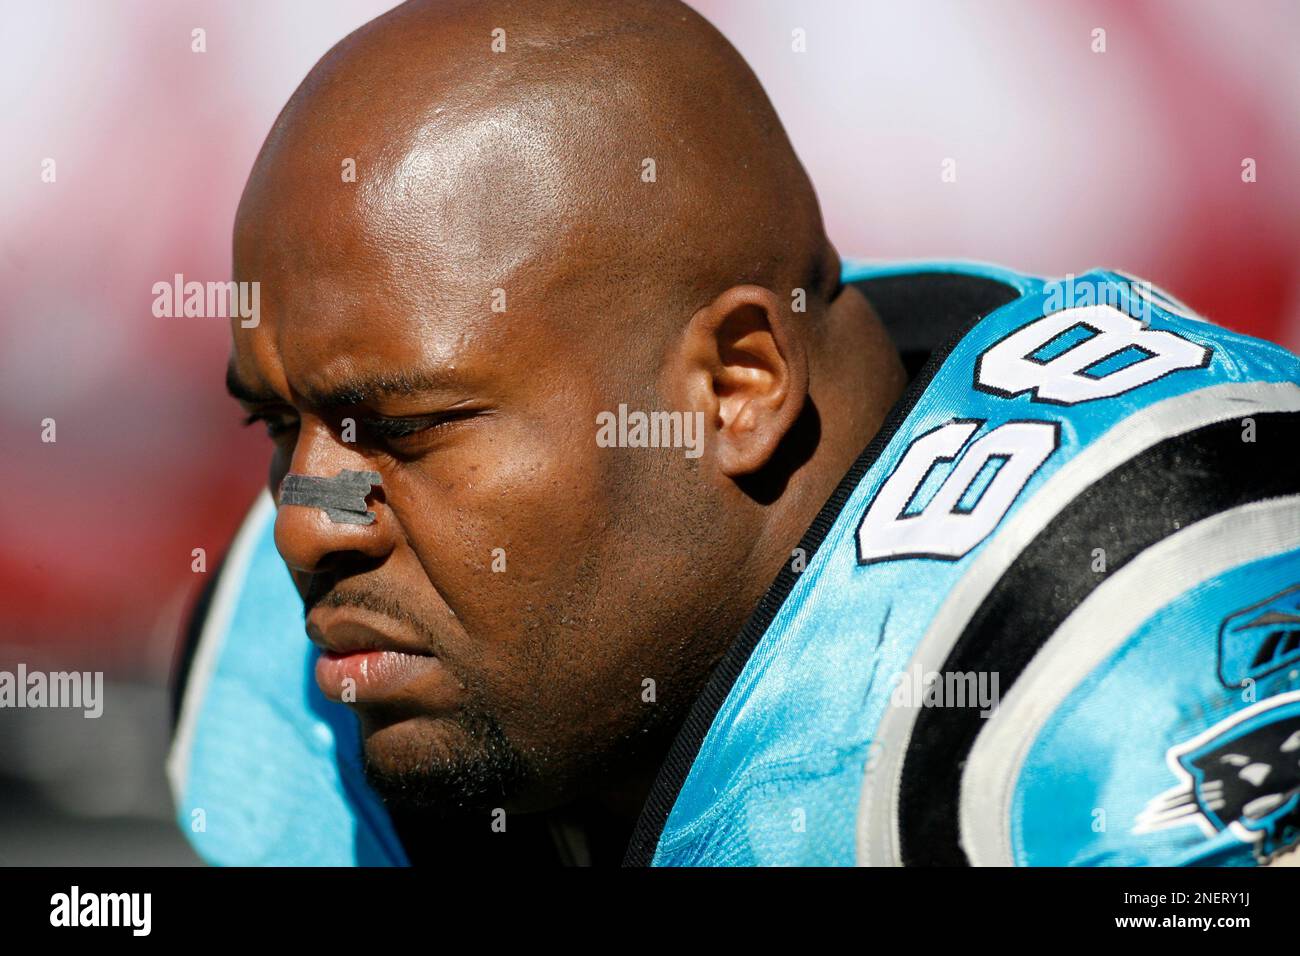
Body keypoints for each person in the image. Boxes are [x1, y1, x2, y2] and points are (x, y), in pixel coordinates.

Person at [168, 0, 1300, 867]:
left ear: (735, 386)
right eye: (279, 423)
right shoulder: (285, 667)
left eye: (403, 427)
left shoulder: (1108, 659)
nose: (306, 527)